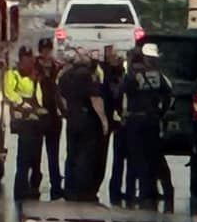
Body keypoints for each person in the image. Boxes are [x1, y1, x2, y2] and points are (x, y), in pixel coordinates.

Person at [118, 42, 175, 208]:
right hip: (152, 120)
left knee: (137, 158)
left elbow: (120, 94)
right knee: (155, 156)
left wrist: (121, 115)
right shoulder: (157, 75)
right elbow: (168, 95)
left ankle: (144, 194)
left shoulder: (131, 76)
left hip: (135, 120)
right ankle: (163, 191)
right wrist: (161, 113)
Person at [58, 48, 109, 202]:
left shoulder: (65, 76)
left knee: (72, 154)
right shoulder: (88, 76)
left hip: (72, 119)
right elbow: (95, 99)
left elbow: (61, 97)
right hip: (87, 119)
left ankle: (69, 189)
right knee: (85, 156)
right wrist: (104, 120)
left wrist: (67, 113)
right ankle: (82, 192)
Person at [3, 46, 48, 200]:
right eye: (26, 59)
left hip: (37, 120)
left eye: (31, 59)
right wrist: (24, 105)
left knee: (36, 158)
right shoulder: (13, 74)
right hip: (24, 121)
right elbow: (9, 93)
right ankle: (20, 190)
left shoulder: (35, 74)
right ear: (21, 59)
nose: (29, 62)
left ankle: (34, 186)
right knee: (24, 158)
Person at [35, 38, 65, 199]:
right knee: (36, 153)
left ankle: (56, 185)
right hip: (39, 114)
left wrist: (64, 110)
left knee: (53, 153)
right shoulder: (33, 67)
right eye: (44, 49)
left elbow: (60, 91)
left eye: (48, 49)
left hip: (54, 114)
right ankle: (34, 183)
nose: (46, 52)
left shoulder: (57, 66)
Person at [101, 46, 128, 204]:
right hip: (109, 117)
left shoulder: (122, 74)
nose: (115, 57)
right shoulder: (105, 74)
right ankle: (113, 189)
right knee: (101, 155)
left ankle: (116, 189)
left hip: (118, 120)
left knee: (119, 157)